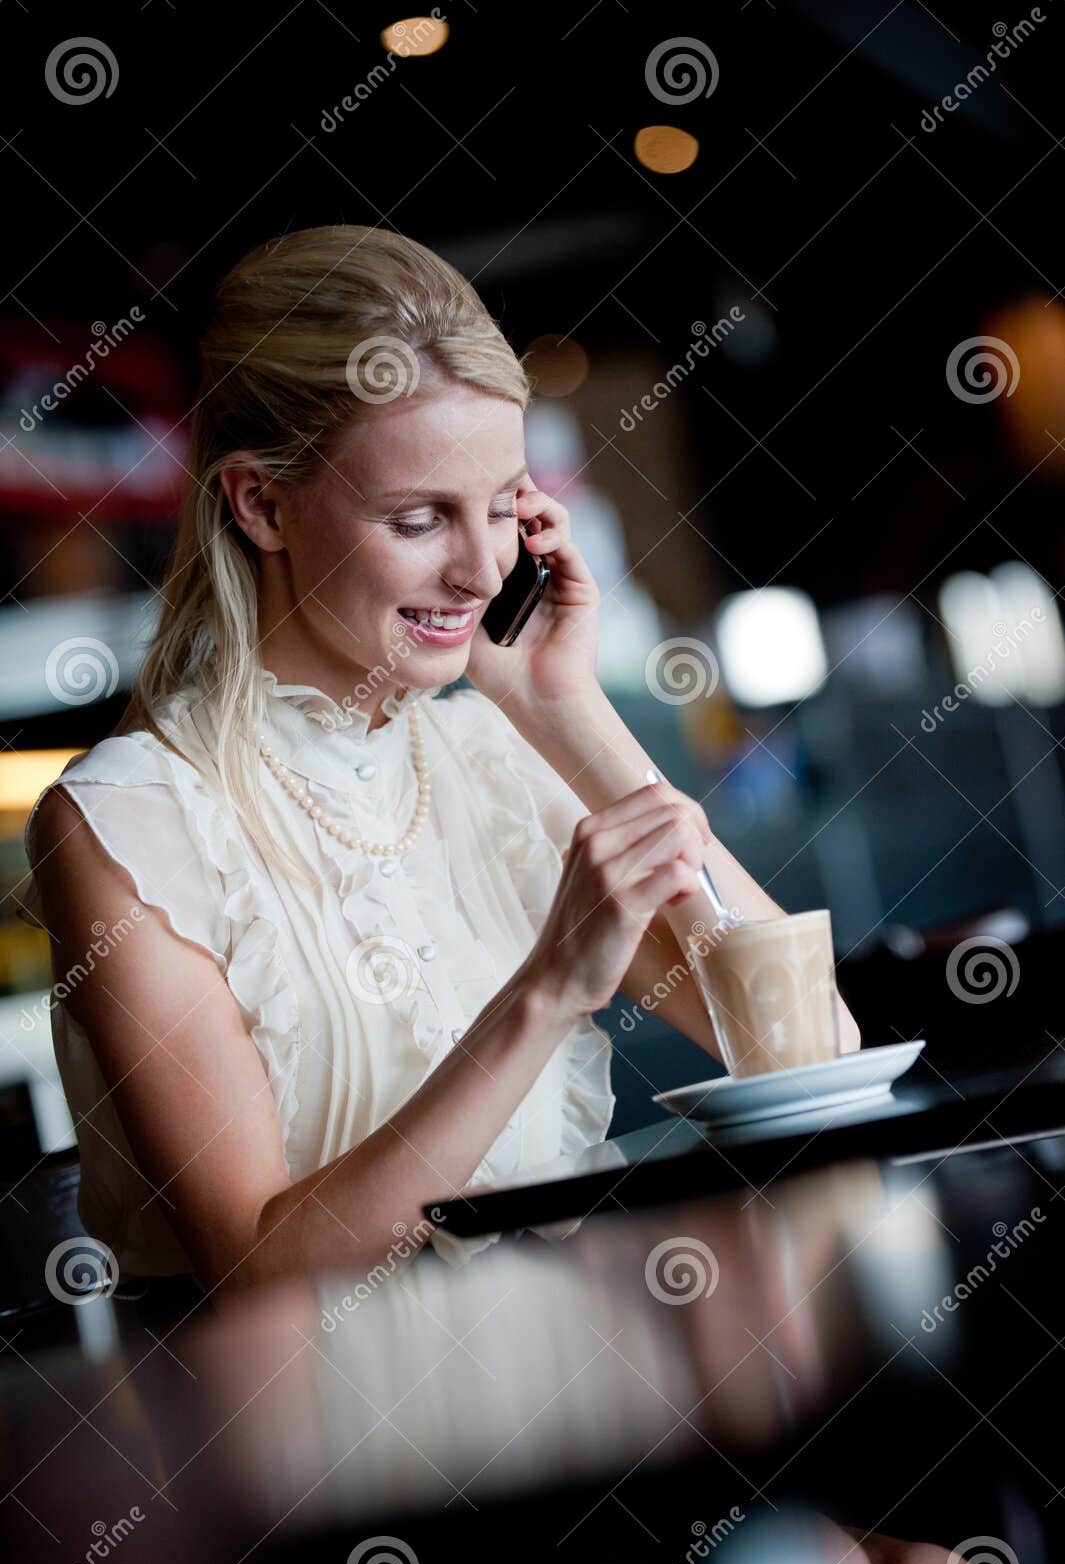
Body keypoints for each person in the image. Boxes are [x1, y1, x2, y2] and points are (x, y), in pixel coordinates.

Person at [21, 224, 862, 1311]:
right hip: (327, 1465)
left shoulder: (501, 752)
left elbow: (808, 1049)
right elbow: (261, 1271)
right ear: (259, 503)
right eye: (418, 519)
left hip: (595, 1403)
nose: (478, 570)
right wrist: (548, 991)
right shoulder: (124, 823)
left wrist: (572, 714)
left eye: (504, 509)